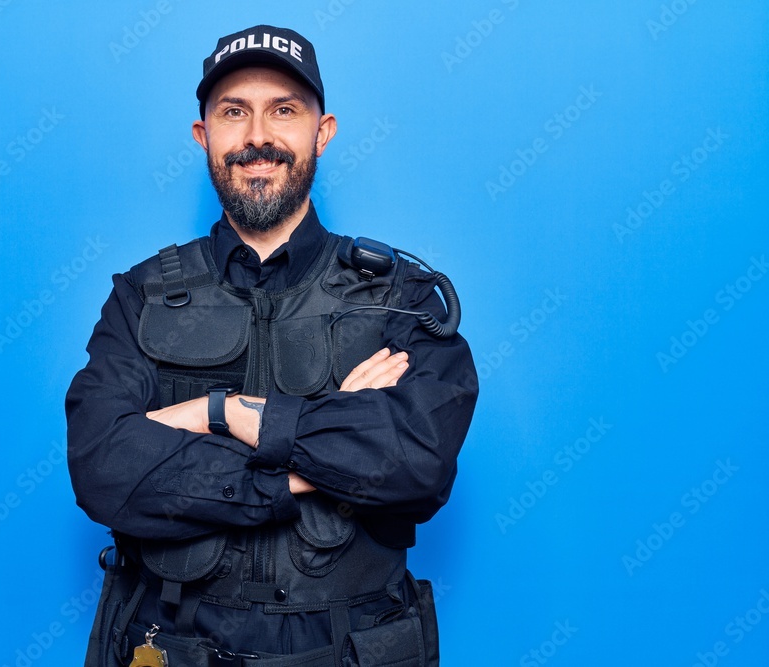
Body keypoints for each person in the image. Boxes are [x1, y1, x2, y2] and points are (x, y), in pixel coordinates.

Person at [66, 24, 478, 667]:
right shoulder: (140, 295)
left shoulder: (402, 297)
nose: (258, 137)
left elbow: (419, 461)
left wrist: (218, 413)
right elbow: (104, 468)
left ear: (323, 130)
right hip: (170, 644)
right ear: (204, 136)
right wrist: (309, 469)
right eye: (234, 112)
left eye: (283, 110)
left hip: (350, 647)